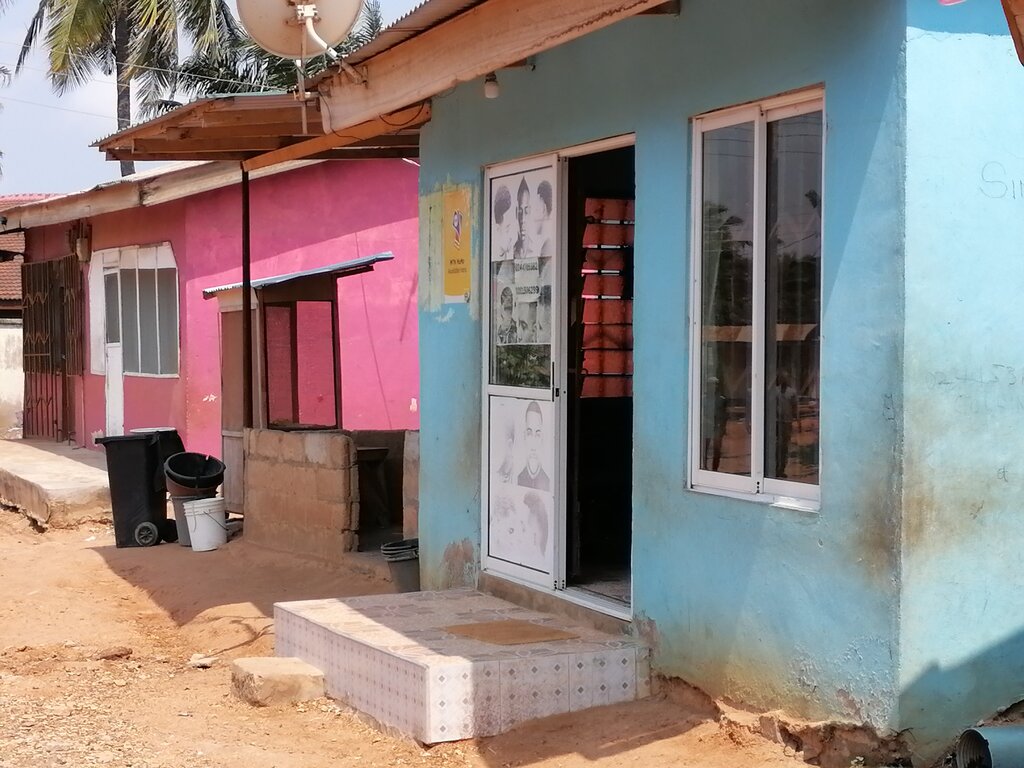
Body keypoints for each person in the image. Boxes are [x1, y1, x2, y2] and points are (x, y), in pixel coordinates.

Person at [769, 370, 799, 478]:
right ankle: (774, 467)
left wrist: (798, 421)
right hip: (776, 422)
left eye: (786, 378)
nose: (784, 380)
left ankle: (782, 469)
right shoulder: (775, 391)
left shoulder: (792, 392)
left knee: (784, 446)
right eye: (782, 378)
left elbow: (795, 408)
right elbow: (771, 404)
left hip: (787, 422)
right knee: (776, 445)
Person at [517, 401, 550, 491]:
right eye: (529, 433)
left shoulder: (547, 481)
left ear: (542, 437)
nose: (533, 441)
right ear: (524, 436)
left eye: (538, 434)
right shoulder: (518, 479)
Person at [513, 178, 534, 260]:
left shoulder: (535, 250)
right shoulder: (512, 251)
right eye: (520, 212)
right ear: (516, 213)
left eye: (526, 211)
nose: (523, 220)